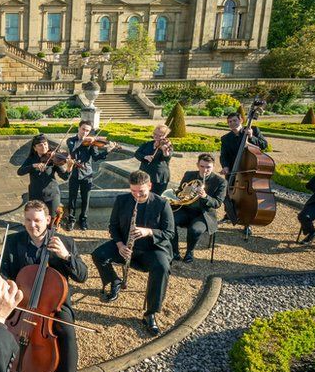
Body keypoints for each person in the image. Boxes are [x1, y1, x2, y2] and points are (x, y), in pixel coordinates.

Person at [0, 200, 87, 372]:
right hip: (21, 304)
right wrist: (4, 283)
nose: (32, 225)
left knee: (67, 336)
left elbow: (82, 275)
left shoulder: (64, 242)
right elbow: (2, 271)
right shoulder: (14, 241)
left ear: (49, 220)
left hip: (53, 307)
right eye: (28, 220)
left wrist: (66, 256)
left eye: (37, 220)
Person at [92, 170, 174, 336]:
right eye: (133, 191)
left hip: (152, 248)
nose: (137, 195)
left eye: (141, 192)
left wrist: (149, 232)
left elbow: (169, 233)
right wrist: (120, 244)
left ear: (150, 186)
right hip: (126, 247)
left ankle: (150, 313)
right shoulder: (122, 200)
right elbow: (113, 226)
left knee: (162, 267)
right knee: (98, 254)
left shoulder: (162, 204)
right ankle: (114, 280)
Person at [169, 153, 227, 263]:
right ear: (197, 165)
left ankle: (189, 252)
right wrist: (183, 192)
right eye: (202, 166)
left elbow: (217, 203)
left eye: (208, 167)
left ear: (213, 166)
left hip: (203, 214)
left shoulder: (221, 182)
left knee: (195, 230)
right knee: (170, 221)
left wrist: (205, 196)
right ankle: (175, 251)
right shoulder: (189, 175)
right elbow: (180, 191)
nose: (205, 170)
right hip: (186, 209)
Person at [64, 120, 114, 231]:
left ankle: (83, 219)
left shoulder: (91, 143)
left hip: (87, 173)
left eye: (87, 130)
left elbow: (96, 157)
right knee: (72, 197)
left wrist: (107, 151)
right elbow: (73, 149)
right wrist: (83, 140)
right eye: (83, 129)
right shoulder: (71, 140)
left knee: (86, 198)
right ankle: (71, 220)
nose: (85, 132)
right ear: (79, 128)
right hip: (74, 172)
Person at [17, 134, 71, 215]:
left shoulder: (53, 159)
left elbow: (65, 177)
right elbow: (20, 172)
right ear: (35, 148)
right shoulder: (31, 159)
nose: (44, 147)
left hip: (52, 194)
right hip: (35, 194)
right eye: (40, 145)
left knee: (52, 218)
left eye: (45, 144)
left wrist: (69, 167)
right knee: (37, 217)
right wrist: (33, 165)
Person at [219, 111, 268, 177]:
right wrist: (225, 167)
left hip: (250, 170)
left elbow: (264, 145)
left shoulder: (254, 130)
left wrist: (251, 136)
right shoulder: (225, 138)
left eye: (234, 120)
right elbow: (224, 155)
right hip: (233, 171)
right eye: (229, 122)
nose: (232, 123)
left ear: (241, 120)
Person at [133, 124, 173, 195]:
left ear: (165, 136)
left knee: (157, 197)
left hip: (159, 175)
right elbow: (137, 153)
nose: (156, 136)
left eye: (160, 135)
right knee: (144, 195)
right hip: (145, 173)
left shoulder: (167, 145)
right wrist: (145, 157)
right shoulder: (148, 144)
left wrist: (165, 151)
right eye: (155, 134)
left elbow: (167, 158)